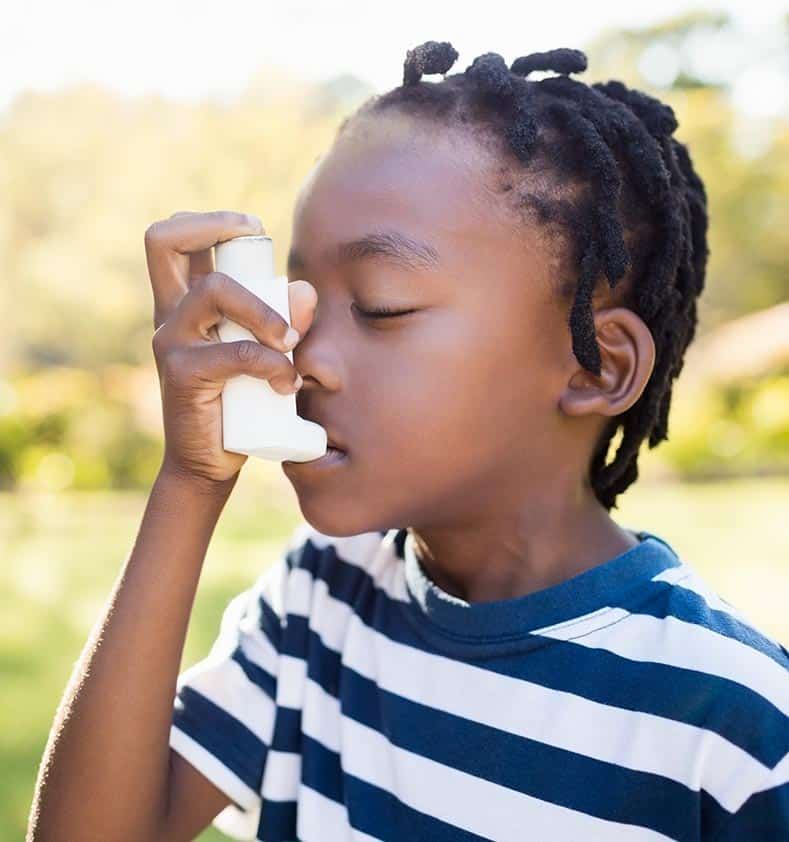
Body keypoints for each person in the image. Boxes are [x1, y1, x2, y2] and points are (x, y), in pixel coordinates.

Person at [29, 42, 788, 841]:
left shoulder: (732, 720)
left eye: (383, 306)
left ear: (597, 365)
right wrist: (190, 481)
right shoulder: (315, 604)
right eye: (303, 304)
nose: (306, 355)